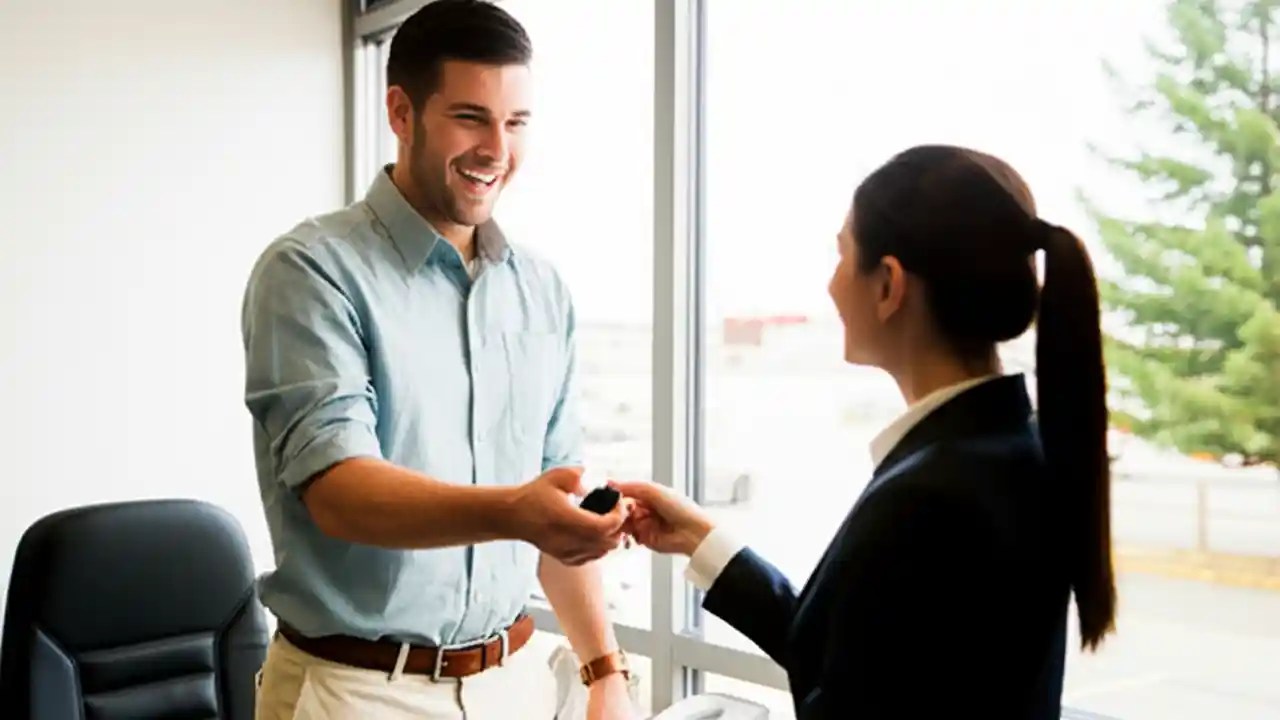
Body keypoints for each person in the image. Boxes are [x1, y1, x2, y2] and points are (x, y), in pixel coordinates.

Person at [616, 145, 1117, 719]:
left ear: (888, 285)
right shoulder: (1011, 452)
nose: (831, 286)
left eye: (842, 256)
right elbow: (866, 660)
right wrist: (705, 543)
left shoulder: (928, 498)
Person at [241, 2, 636, 718]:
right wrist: (516, 512)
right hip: (357, 690)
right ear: (400, 110)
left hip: (511, 682)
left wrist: (604, 668)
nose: (496, 148)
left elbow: (554, 511)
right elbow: (338, 491)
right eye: (469, 117)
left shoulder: (540, 290)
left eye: (515, 123)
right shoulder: (311, 271)